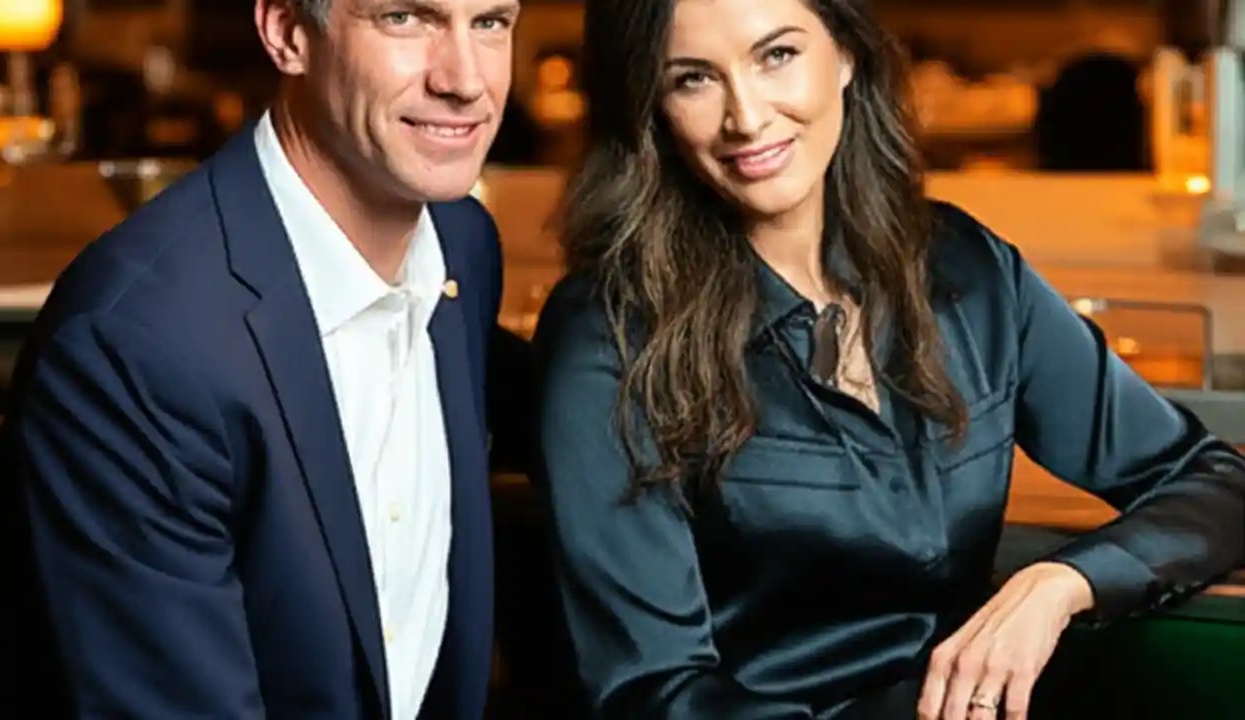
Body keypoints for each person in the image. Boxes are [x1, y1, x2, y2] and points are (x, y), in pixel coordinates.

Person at [531, 1, 1245, 719]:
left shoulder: (966, 272)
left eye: (776, 55)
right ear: (651, 106)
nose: (745, 117)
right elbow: (654, 693)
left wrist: (1060, 583)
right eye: (692, 79)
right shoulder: (608, 333)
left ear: (844, 55)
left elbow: (1215, 482)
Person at [0, 0, 520, 717]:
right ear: (288, 33)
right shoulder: (134, 348)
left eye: (490, 22)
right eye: (405, 18)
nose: (465, 79)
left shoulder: (461, 245)